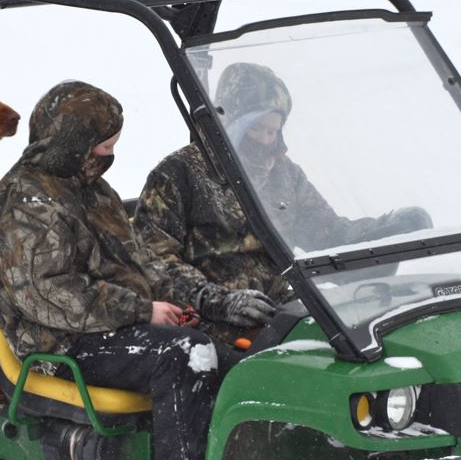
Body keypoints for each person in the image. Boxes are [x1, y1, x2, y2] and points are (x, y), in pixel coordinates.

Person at [0, 80, 260, 460]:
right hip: (60, 345)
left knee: (242, 365)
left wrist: (209, 299)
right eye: (103, 145)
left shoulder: (92, 192)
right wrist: (141, 311)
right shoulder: (27, 205)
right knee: (184, 357)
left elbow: (143, 262)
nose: (109, 154)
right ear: (72, 143)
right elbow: (49, 296)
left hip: (109, 328)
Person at [135, 62, 431, 340]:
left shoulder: (284, 173)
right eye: (257, 129)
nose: (266, 140)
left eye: (273, 130)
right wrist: (214, 300)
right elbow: (155, 258)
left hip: (277, 308)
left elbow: (325, 229)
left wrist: (382, 232)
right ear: (229, 122)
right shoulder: (179, 173)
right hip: (209, 319)